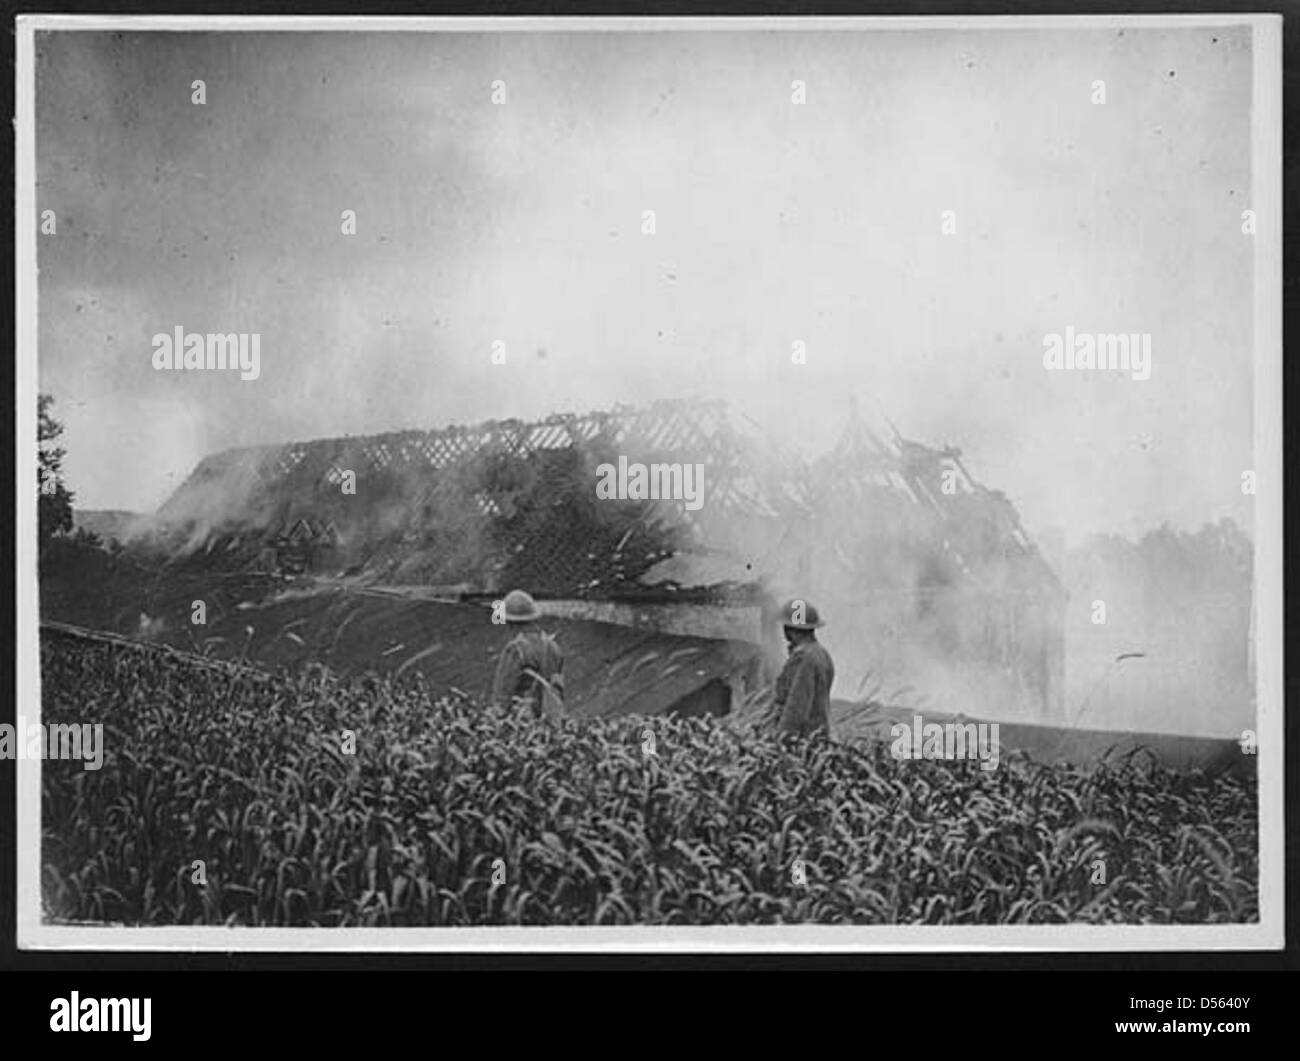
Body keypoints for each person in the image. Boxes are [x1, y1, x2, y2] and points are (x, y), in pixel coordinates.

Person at [490, 589, 565, 718]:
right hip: (549, 722)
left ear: (510, 622)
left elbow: (502, 698)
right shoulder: (553, 647)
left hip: (521, 723)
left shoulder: (515, 649)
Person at [771, 598, 835, 738]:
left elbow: (796, 706)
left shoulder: (803, 658)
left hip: (803, 740)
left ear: (789, 630)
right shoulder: (822, 654)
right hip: (819, 737)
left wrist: (781, 739)